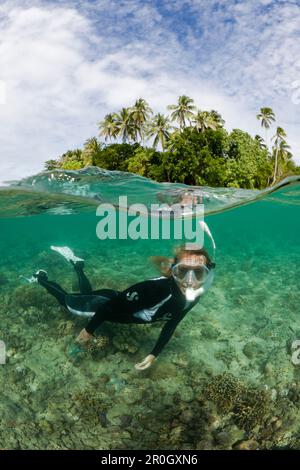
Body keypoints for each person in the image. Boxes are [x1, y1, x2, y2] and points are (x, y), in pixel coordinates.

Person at [32, 233, 216, 371]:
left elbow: (172, 323)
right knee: (67, 302)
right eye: (182, 271)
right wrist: (89, 330)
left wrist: (154, 354)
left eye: (199, 273)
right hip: (103, 305)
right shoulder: (156, 290)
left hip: (116, 301)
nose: (190, 281)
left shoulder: (193, 296)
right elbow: (107, 308)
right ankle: (41, 279)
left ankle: (78, 266)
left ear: (208, 275)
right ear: (173, 270)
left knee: (84, 294)